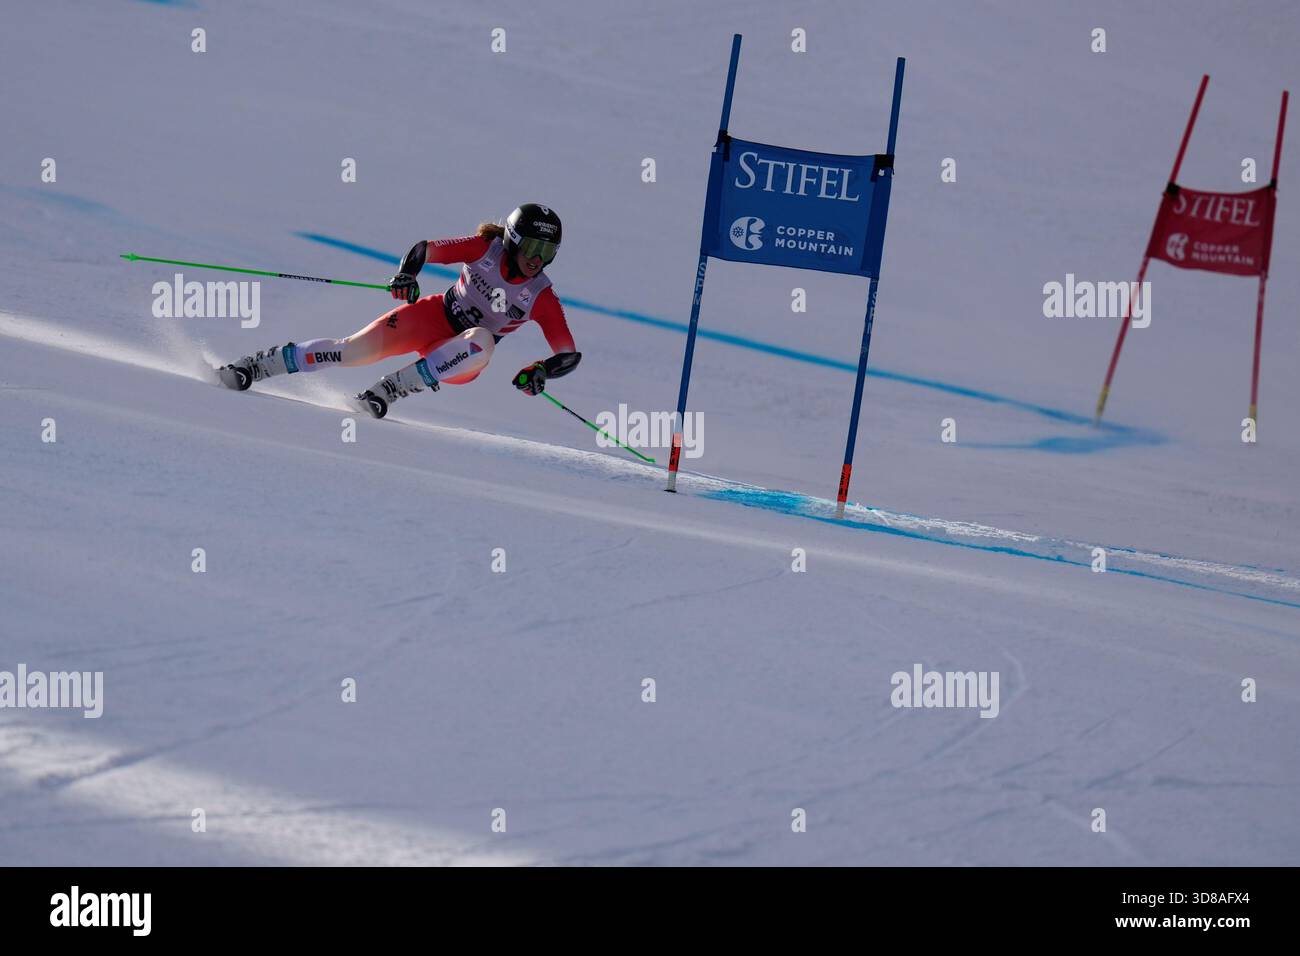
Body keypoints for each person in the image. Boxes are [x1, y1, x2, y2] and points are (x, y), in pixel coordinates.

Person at [218, 203, 581, 419]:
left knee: (481, 340)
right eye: (533, 247)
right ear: (513, 240)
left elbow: (568, 354)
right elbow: (425, 249)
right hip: (432, 317)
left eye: (547, 252)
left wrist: (541, 372)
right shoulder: (485, 248)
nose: (537, 260)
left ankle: (388, 391)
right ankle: (254, 366)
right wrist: (407, 274)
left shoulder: (540, 295)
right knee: (350, 351)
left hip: (458, 357)